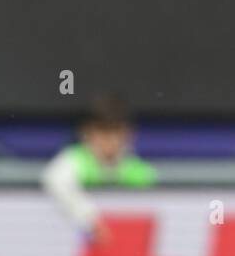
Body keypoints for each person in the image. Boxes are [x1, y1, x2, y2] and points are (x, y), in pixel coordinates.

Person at [41, 97, 157, 245]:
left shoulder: (140, 170)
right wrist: (90, 218)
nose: (111, 139)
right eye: (103, 131)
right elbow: (54, 179)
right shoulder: (73, 159)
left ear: (129, 133)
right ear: (87, 132)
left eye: (117, 131)